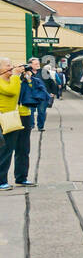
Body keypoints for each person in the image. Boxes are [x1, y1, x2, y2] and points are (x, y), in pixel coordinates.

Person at [0, 58, 34, 190]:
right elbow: (12, 91)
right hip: (5, 118)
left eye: (11, 65)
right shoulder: (6, 81)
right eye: (8, 65)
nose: (11, 67)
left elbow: (31, 90)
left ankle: (21, 177)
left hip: (21, 116)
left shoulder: (16, 79)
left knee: (23, 148)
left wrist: (27, 78)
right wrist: (15, 75)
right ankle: (1, 180)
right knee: (6, 150)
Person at [25, 59, 52, 132]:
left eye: (38, 63)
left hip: (42, 95)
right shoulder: (27, 72)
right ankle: (31, 125)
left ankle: (40, 126)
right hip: (31, 95)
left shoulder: (44, 72)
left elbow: (50, 81)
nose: (38, 65)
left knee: (42, 112)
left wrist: (51, 92)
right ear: (30, 64)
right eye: (36, 64)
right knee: (30, 111)